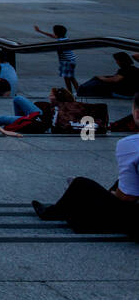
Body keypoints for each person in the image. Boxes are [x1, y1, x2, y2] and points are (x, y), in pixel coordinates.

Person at [33, 94, 138, 233]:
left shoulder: (130, 144)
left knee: (81, 184)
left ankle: (55, 212)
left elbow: (127, 196)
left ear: (137, 114)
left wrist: (113, 195)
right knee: (119, 182)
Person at [33, 23, 80, 94]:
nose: (53, 33)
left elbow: (57, 48)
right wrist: (40, 31)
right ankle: (78, 93)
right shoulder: (65, 38)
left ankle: (71, 94)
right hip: (71, 60)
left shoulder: (60, 42)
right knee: (71, 78)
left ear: (57, 33)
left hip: (66, 62)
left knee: (68, 79)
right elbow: (52, 36)